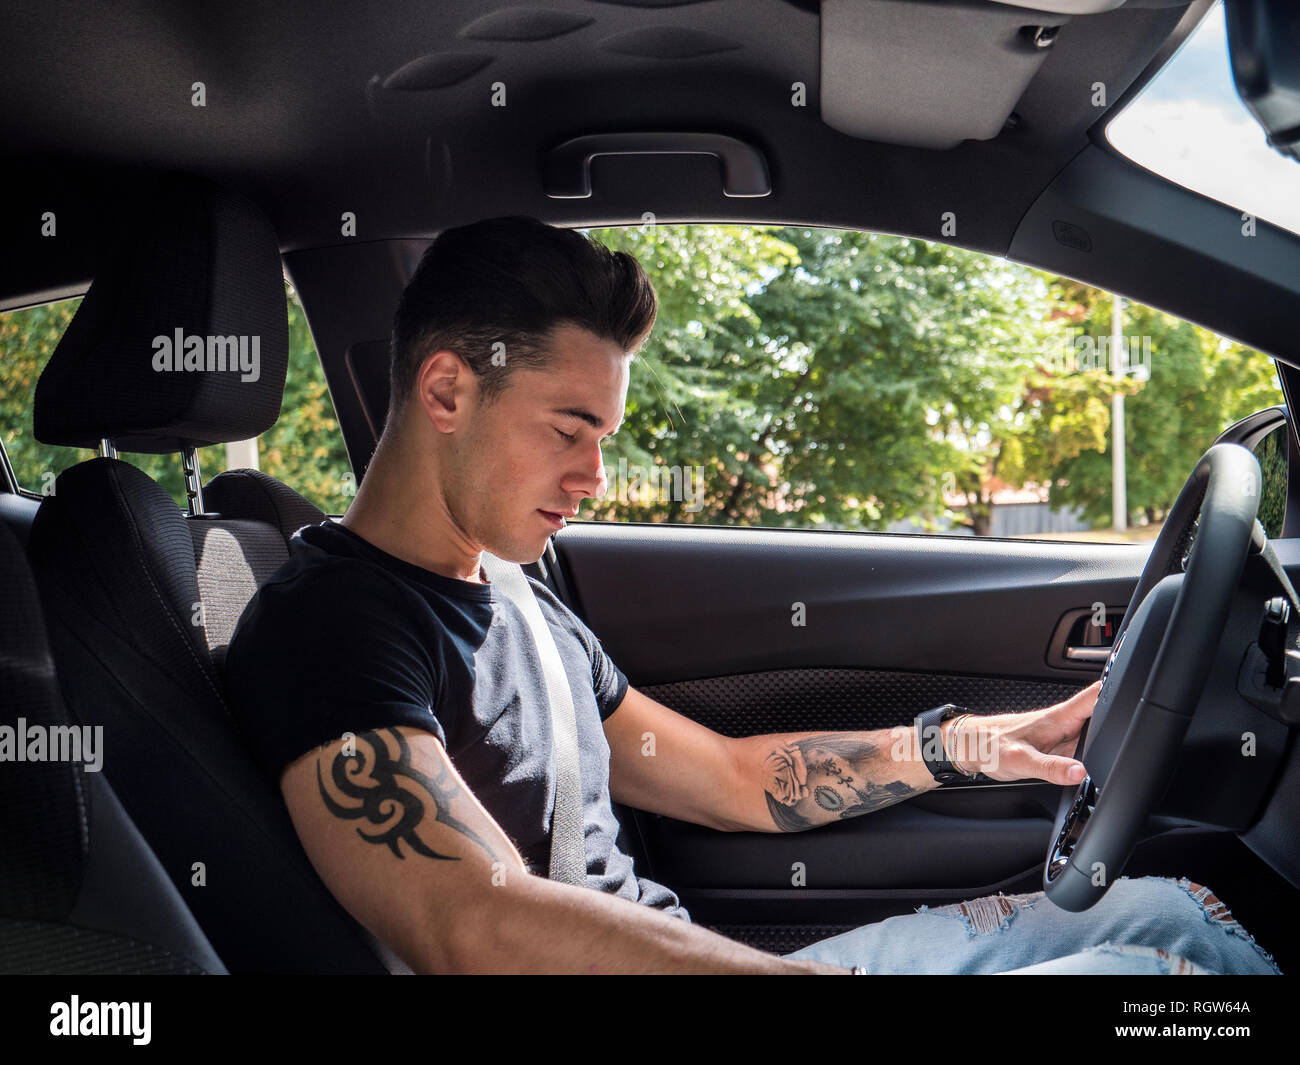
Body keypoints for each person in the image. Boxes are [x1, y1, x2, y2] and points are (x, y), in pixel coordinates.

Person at [224, 216, 1281, 975]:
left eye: (605, 439)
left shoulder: (519, 606)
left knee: (1173, 916)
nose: (594, 479)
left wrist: (962, 745)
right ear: (449, 389)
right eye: (567, 431)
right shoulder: (332, 627)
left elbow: (733, 779)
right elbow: (470, 926)